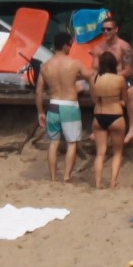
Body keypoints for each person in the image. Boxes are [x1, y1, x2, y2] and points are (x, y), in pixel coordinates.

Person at [36, 30, 90, 183]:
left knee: (53, 143)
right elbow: (91, 76)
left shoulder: (45, 66)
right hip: (69, 106)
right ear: (66, 46)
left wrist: (40, 111)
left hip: (53, 105)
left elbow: (39, 91)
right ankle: (66, 176)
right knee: (71, 142)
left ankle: (53, 177)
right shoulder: (74, 64)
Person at [89, 51, 128, 189]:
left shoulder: (94, 78)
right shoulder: (119, 79)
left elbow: (94, 98)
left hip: (99, 115)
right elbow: (125, 99)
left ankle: (98, 182)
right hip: (115, 115)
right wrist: (120, 102)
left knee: (100, 153)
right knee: (117, 152)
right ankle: (112, 182)